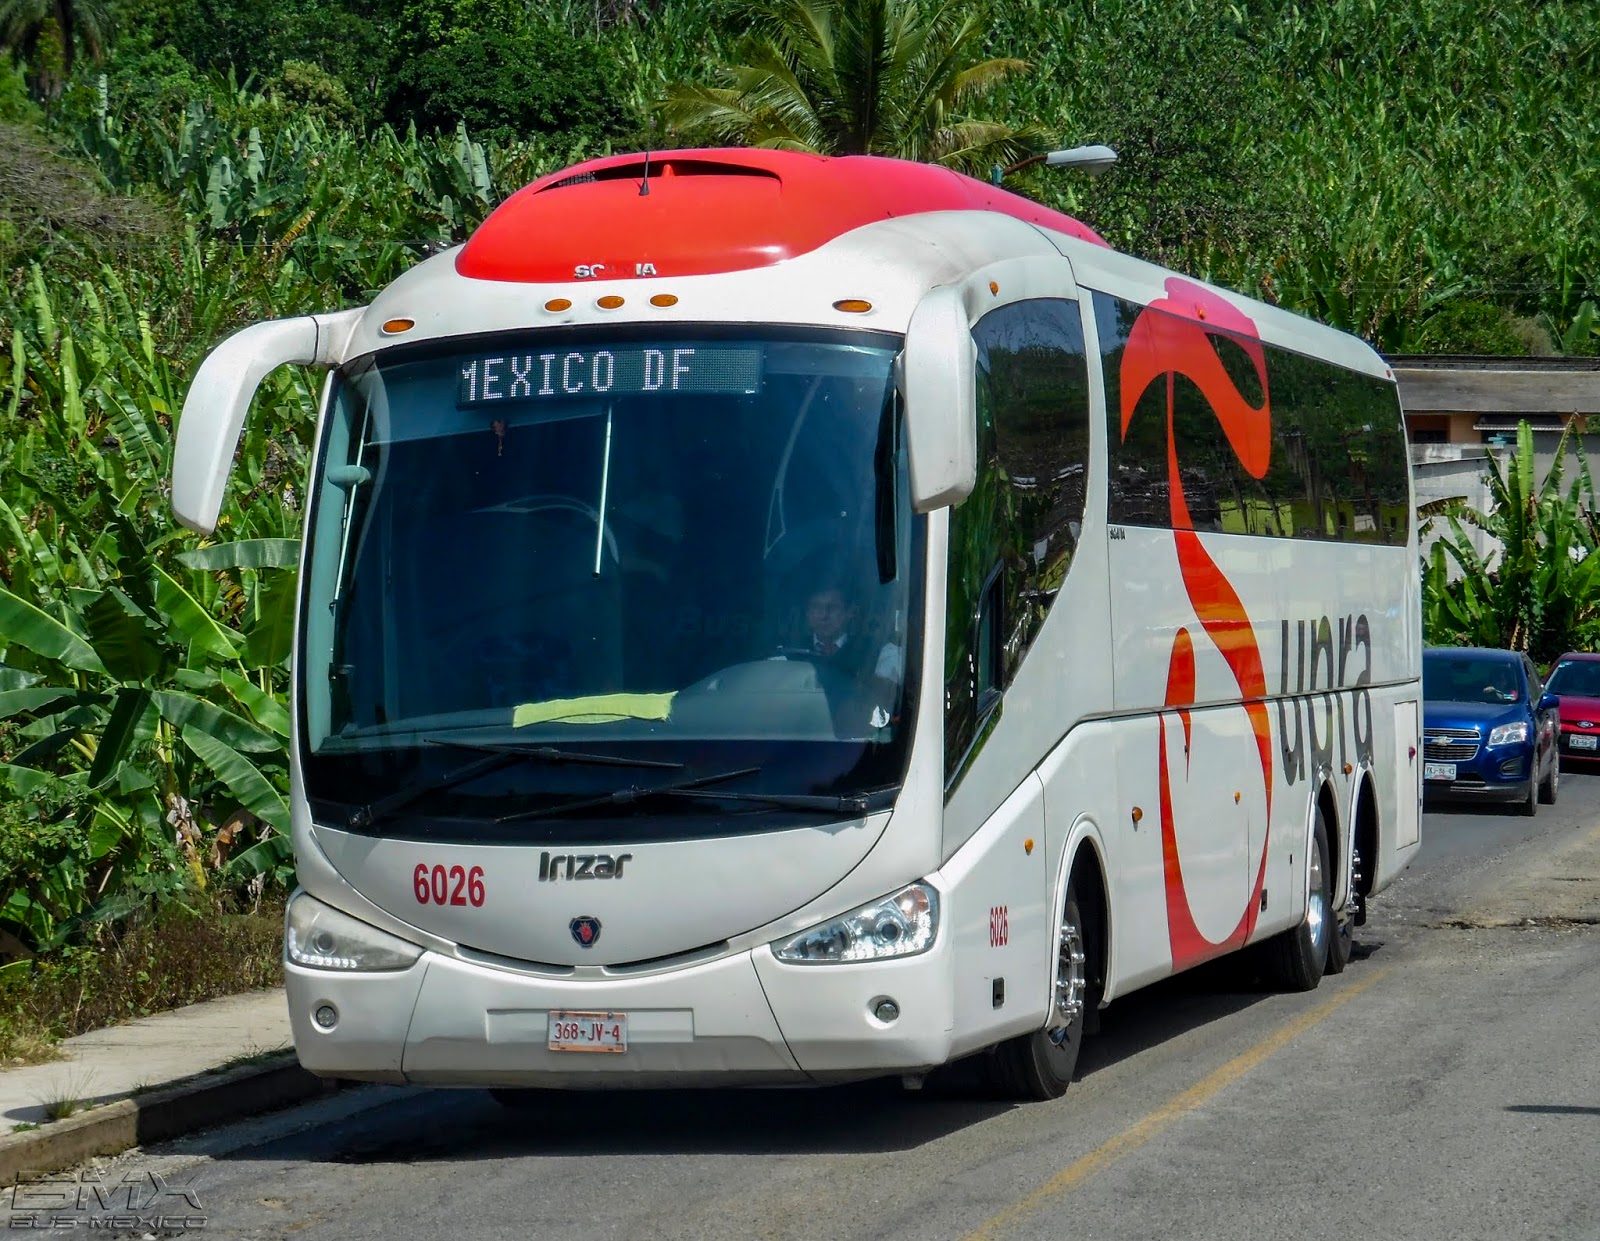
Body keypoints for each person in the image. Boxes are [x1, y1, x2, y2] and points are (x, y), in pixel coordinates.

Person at [791, 581, 904, 732]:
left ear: (851, 612)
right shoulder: (791, 653)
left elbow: (896, 701)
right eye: (816, 607)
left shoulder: (877, 653)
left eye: (832, 608)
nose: (824, 616)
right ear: (807, 613)